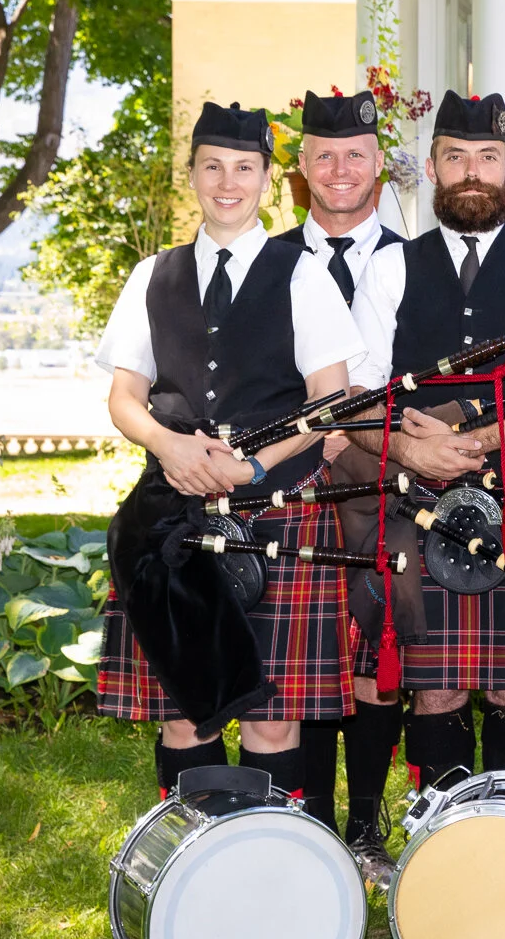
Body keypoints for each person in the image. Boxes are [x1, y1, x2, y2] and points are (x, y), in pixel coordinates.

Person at [94, 102, 365, 803]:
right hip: (174, 519)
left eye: (244, 168)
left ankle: (270, 857)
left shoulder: (303, 274)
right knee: (184, 715)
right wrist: (166, 446)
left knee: (273, 721)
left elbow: (331, 401)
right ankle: (197, 856)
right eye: (212, 166)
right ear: (190, 174)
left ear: (269, 180)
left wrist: (254, 465)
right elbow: (125, 397)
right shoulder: (152, 276)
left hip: (277, 510)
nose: (227, 182)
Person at [348, 90, 505, 792]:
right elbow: (356, 396)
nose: (473, 172)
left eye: (488, 157)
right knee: (435, 686)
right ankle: (441, 835)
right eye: (456, 157)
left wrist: (474, 441)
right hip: (418, 501)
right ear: (432, 168)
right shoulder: (390, 267)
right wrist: (408, 451)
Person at [268, 89, 410, 880]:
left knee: (376, 651)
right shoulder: (268, 263)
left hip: (384, 477)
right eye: (325, 155)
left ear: (379, 163)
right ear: (302, 168)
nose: (341, 169)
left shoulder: (415, 260)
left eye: (356, 154)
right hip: (296, 480)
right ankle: (312, 826)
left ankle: (364, 830)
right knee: (308, 656)